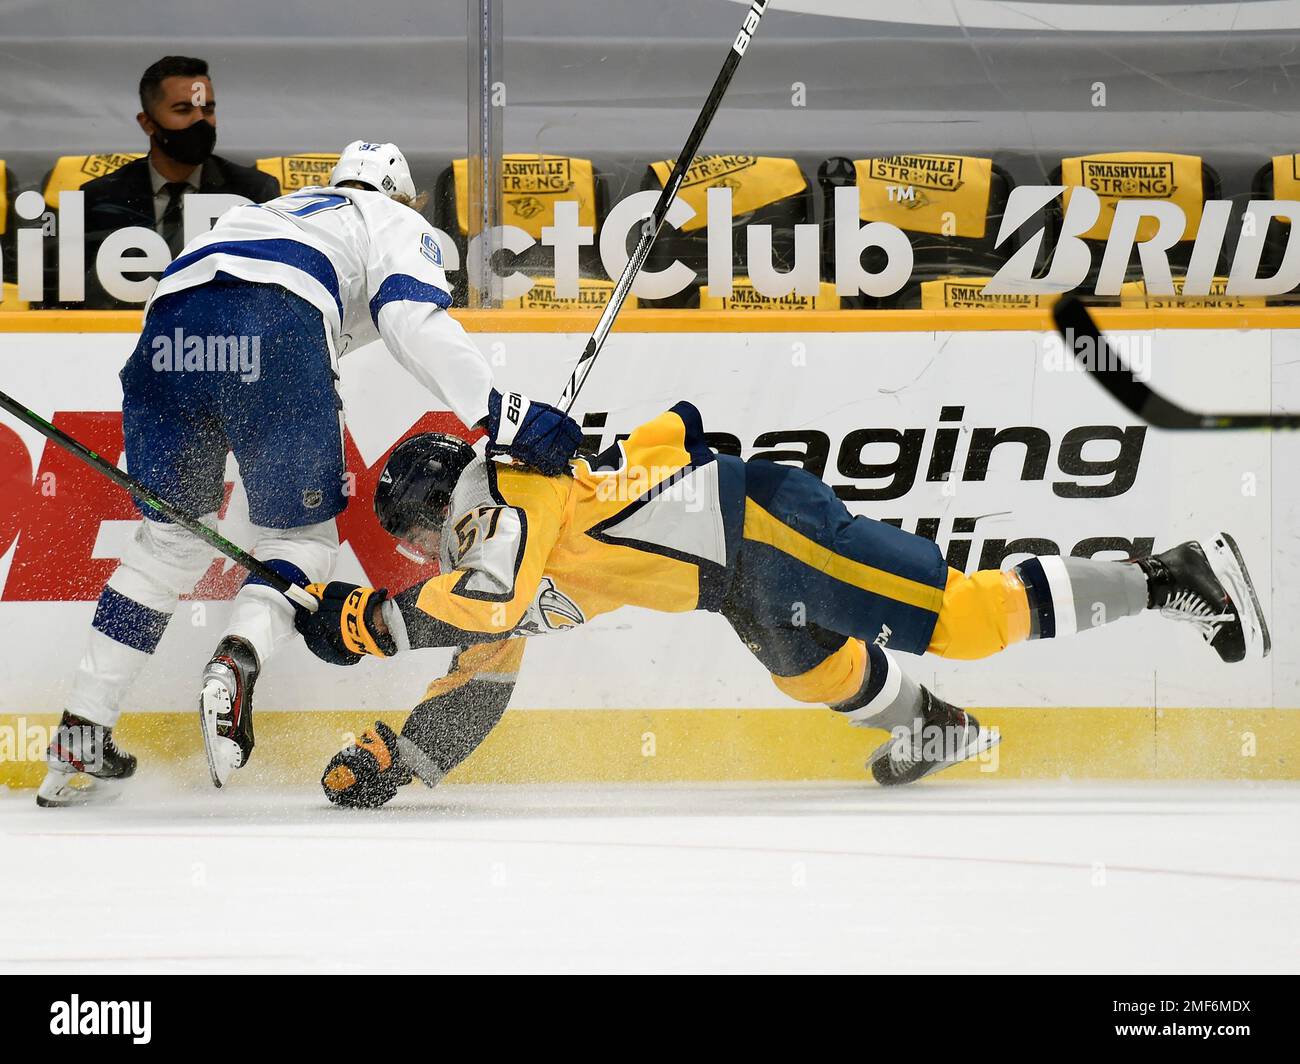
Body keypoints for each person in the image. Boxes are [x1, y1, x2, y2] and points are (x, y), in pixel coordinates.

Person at [292, 402, 1271, 808]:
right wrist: (394, 756)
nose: (417, 557)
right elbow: (482, 662)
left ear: (434, 506)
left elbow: (487, 600)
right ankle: (931, 725)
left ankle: (1168, 573)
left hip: (760, 527)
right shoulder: (518, 514)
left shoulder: (507, 498)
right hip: (732, 577)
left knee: (965, 621)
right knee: (812, 672)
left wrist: (366, 622)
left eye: (414, 538)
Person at [36, 140, 583, 807]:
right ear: (404, 196)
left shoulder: (271, 212)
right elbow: (412, 319)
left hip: (169, 331)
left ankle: (81, 732)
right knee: (302, 541)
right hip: (275, 322)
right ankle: (236, 658)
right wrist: (500, 411)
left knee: (169, 544)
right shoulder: (392, 220)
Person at [78, 56, 280, 307]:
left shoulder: (254, 192)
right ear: (147, 123)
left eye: (207, 109)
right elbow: (81, 298)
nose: (200, 121)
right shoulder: (99, 198)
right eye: (183, 110)